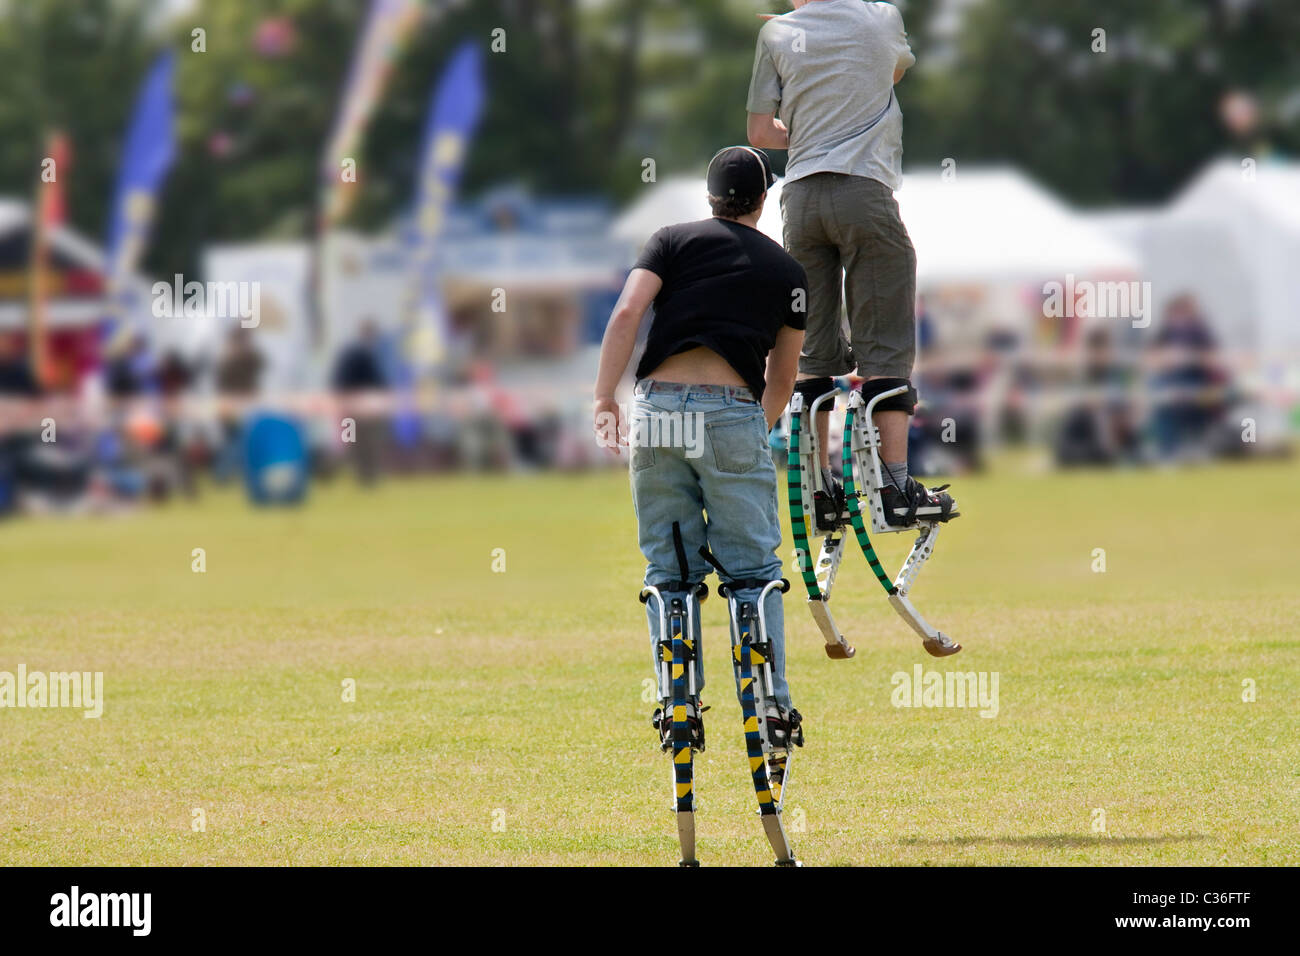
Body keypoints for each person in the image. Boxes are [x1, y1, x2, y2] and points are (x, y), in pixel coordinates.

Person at [594, 145, 806, 741]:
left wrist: (604, 397)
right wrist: (748, 434)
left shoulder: (669, 240)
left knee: (671, 570)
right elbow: (784, 378)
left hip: (659, 408)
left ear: (710, 197)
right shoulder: (789, 271)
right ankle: (768, 707)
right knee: (752, 570)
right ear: (764, 201)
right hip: (735, 408)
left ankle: (677, 701)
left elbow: (626, 315)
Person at [747, 0, 957, 529]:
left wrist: (810, 129)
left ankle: (821, 494)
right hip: (863, 188)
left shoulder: (775, 34)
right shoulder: (881, 17)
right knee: (885, 346)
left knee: (811, 351)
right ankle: (895, 489)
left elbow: (759, 135)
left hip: (798, 198)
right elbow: (888, 74)